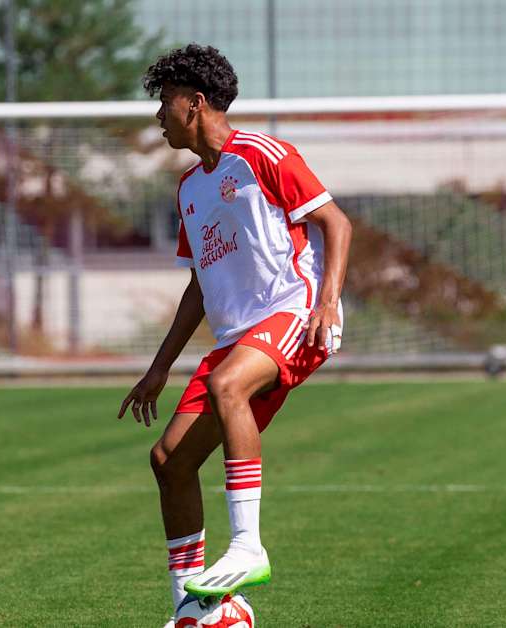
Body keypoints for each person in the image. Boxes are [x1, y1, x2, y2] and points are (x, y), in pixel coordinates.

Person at [118, 44, 352, 624]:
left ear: (195, 103)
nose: (160, 115)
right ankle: (199, 611)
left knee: (228, 386)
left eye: (166, 102)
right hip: (235, 339)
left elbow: (335, 222)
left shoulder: (263, 155)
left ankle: (248, 545)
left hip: (294, 312)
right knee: (169, 460)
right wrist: (158, 368)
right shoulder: (189, 189)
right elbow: (199, 286)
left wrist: (327, 303)